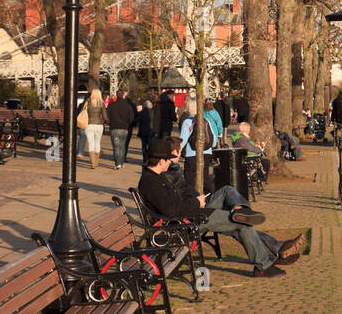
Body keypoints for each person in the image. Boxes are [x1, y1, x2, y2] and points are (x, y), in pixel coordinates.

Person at [138, 141, 294, 277]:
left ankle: (242, 209)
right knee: (241, 224)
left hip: (191, 212)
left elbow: (176, 202)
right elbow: (171, 210)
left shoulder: (156, 177)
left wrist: (196, 200)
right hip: (187, 222)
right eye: (168, 160)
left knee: (227, 191)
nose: (169, 163)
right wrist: (196, 203)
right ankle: (263, 264)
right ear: (160, 161)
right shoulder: (151, 182)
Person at [106, 89, 134, 170]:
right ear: (123, 95)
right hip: (124, 128)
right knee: (122, 146)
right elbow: (131, 117)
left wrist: (110, 122)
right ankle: (121, 163)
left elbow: (107, 115)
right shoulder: (128, 105)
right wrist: (127, 123)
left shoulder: (112, 105)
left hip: (114, 128)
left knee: (116, 147)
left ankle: (118, 163)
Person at [81, 88, 107, 169]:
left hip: (89, 125)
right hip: (99, 125)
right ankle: (96, 162)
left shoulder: (88, 103)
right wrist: (106, 121)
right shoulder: (101, 103)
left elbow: (84, 113)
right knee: (97, 143)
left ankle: (92, 163)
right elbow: (105, 116)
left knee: (91, 144)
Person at [137, 99, 154, 168]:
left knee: (144, 146)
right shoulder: (153, 112)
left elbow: (138, 121)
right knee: (150, 146)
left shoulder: (141, 113)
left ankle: (145, 159)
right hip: (151, 131)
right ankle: (150, 159)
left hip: (143, 132)